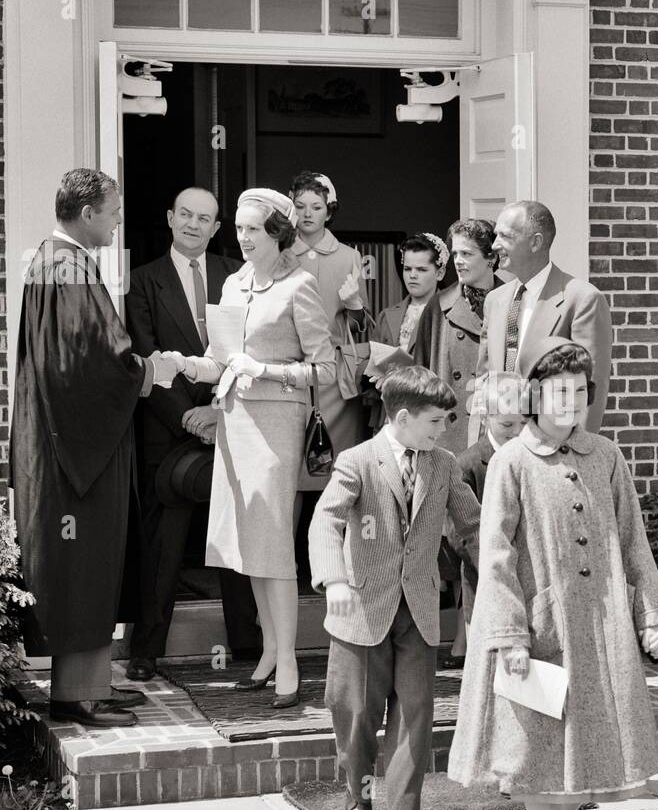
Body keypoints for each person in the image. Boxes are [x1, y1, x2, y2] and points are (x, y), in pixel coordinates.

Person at [449, 338, 658, 810]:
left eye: (581, 389)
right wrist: (509, 635)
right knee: (542, 770)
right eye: (558, 389)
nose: (571, 401)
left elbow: (632, 539)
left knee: (590, 767)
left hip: (600, 630)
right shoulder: (511, 462)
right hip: (537, 631)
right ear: (535, 396)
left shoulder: (606, 455)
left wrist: (651, 615)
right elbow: (493, 556)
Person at [11, 169, 178, 728]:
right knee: (82, 561)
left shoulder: (48, 261)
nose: (117, 221)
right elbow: (92, 362)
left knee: (89, 562)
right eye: (113, 212)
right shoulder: (69, 268)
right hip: (75, 449)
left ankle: (93, 683)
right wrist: (147, 368)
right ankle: (78, 693)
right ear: (87, 214)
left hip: (58, 437)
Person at [161, 189, 335, 708]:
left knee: (275, 548)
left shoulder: (299, 286)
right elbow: (222, 361)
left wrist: (269, 371)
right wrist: (187, 365)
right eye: (237, 227)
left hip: (278, 428)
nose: (242, 236)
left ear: (278, 233)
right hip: (237, 425)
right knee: (250, 549)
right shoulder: (234, 283)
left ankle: (289, 663)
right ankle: (269, 651)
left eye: (252, 228)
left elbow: (325, 369)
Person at [308, 366, 481, 810]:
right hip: (362, 611)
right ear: (402, 418)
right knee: (357, 716)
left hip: (420, 615)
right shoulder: (357, 462)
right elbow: (326, 520)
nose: (443, 429)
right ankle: (358, 798)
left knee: (415, 721)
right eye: (434, 421)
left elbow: (472, 526)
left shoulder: (443, 465)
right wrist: (334, 578)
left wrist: (505, 568)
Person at [123, 187, 260, 679]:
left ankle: (247, 645)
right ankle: (147, 651)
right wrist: (187, 417)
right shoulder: (142, 283)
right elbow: (146, 358)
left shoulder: (237, 276)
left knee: (236, 538)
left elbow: (249, 348)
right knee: (163, 547)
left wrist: (219, 412)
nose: (193, 224)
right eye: (185, 214)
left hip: (231, 424)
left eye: (205, 218)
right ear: (169, 217)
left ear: (217, 227)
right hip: (169, 430)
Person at [477, 202, 613, 434]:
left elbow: (590, 391)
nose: (495, 245)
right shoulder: (495, 300)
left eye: (505, 236)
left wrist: (575, 455)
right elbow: (484, 378)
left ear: (536, 242)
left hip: (552, 447)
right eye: (496, 235)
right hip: (498, 447)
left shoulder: (582, 299)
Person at [287, 171, 370, 486]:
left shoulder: (349, 256)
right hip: (290, 374)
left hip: (335, 380)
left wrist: (353, 304)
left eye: (316, 207)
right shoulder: (279, 255)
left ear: (329, 210)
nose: (307, 214)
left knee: (338, 477)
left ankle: (332, 537)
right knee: (289, 477)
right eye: (300, 206)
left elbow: (360, 327)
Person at [414, 218, 505, 455]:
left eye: (467, 253)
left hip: (496, 430)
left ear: (491, 258)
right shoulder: (438, 305)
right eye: (455, 253)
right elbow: (421, 373)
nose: (459, 262)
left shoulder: (513, 302)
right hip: (447, 435)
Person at [453, 370, 526, 626]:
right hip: (486, 581)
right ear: (485, 418)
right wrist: (497, 567)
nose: (517, 432)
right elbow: (461, 533)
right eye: (507, 424)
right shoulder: (467, 466)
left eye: (524, 423)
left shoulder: (533, 459)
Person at [373, 233, 449, 354]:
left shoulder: (450, 315)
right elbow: (372, 360)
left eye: (421, 269)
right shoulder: (386, 316)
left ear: (440, 273)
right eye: (407, 269)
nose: (412, 275)